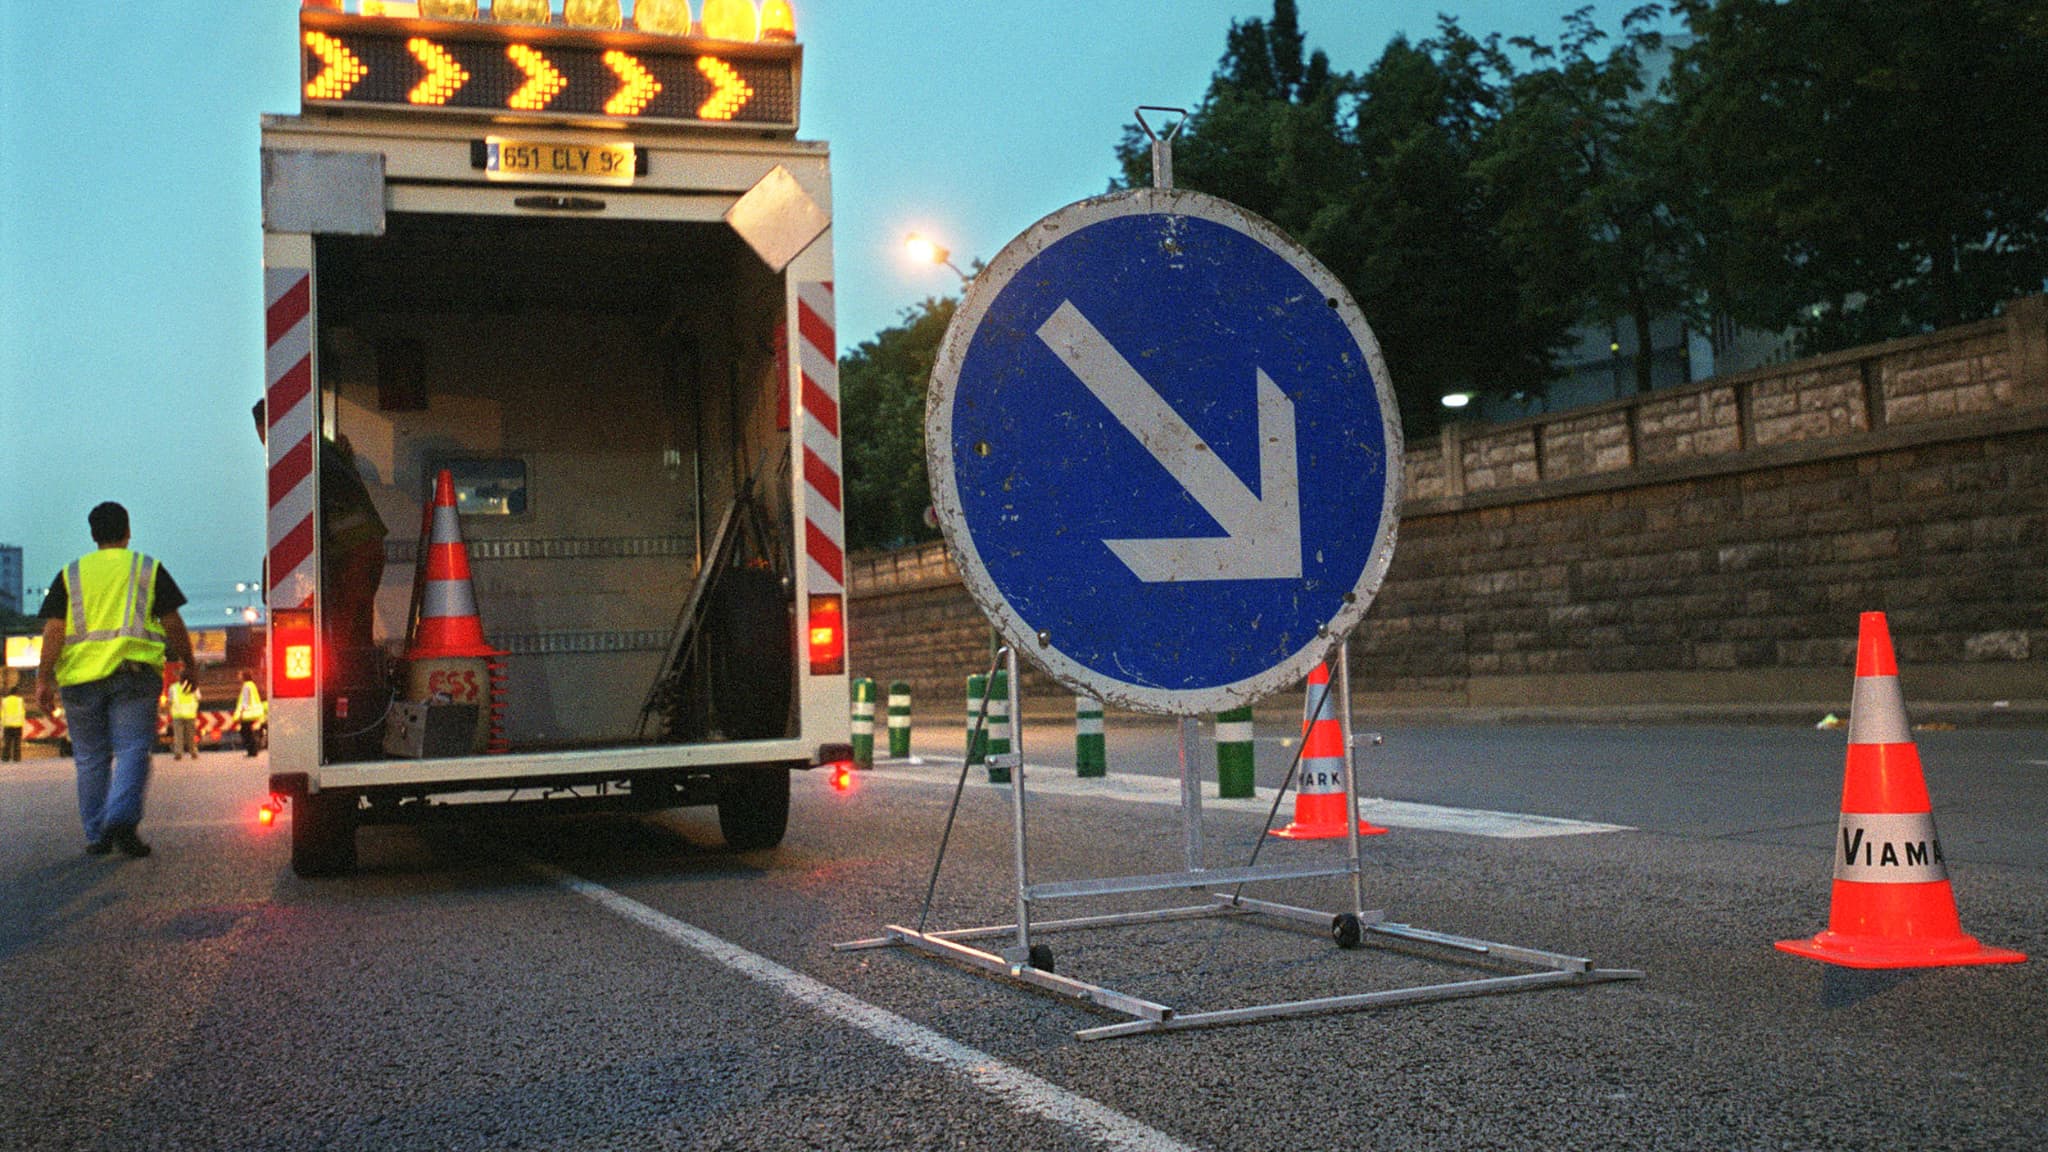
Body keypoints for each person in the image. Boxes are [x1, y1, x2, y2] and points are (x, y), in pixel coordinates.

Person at [36, 502, 197, 858]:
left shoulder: (70, 573)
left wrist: (43, 679)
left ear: (93, 535)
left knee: (90, 758)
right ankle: (121, 817)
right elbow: (172, 622)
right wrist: (189, 663)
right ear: (127, 531)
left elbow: (54, 630)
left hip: (79, 681)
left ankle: (98, 835)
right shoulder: (146, 568)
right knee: (131, 749)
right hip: (133, 677)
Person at [252, 400, 388, 651]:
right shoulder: (321, 449)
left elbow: (299, 517)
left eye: (264, 436)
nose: (265, 444)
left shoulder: (304, 456)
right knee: (355, 627)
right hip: (364, 547)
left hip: (353, 553)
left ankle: (339, 680)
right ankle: (354, 676)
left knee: (342, 634)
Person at [166, 669, 201, 760]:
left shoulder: (173, 688)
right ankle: (193, 752)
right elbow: (198, 698)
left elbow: (170, 701)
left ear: (180, 678)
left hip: (177, 714)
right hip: (190, 714)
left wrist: (168, 711)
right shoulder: (193, 687)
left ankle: (178, 752)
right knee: (190, 735)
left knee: (178, 735)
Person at [233, 671, 267, 757]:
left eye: (240, 675)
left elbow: (245, 700)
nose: (238, 676)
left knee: (245, 732)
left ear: (244, 676)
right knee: (248, 732)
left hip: (247, 714)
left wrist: (241, 713)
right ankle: (253, 750)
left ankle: (251, 751)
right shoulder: (252, 685)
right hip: (253, 713)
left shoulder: (246, 686)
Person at [1, 685, 24, 762]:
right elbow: (22, 712)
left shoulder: (4, 700)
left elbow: (2, 712)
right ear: (17, 692)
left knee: (7, 742)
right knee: (17, 743)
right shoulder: (20, 700)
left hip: (7, 724)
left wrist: (2, 721)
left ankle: (5, 758)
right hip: (17, 724)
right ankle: (16, 758)